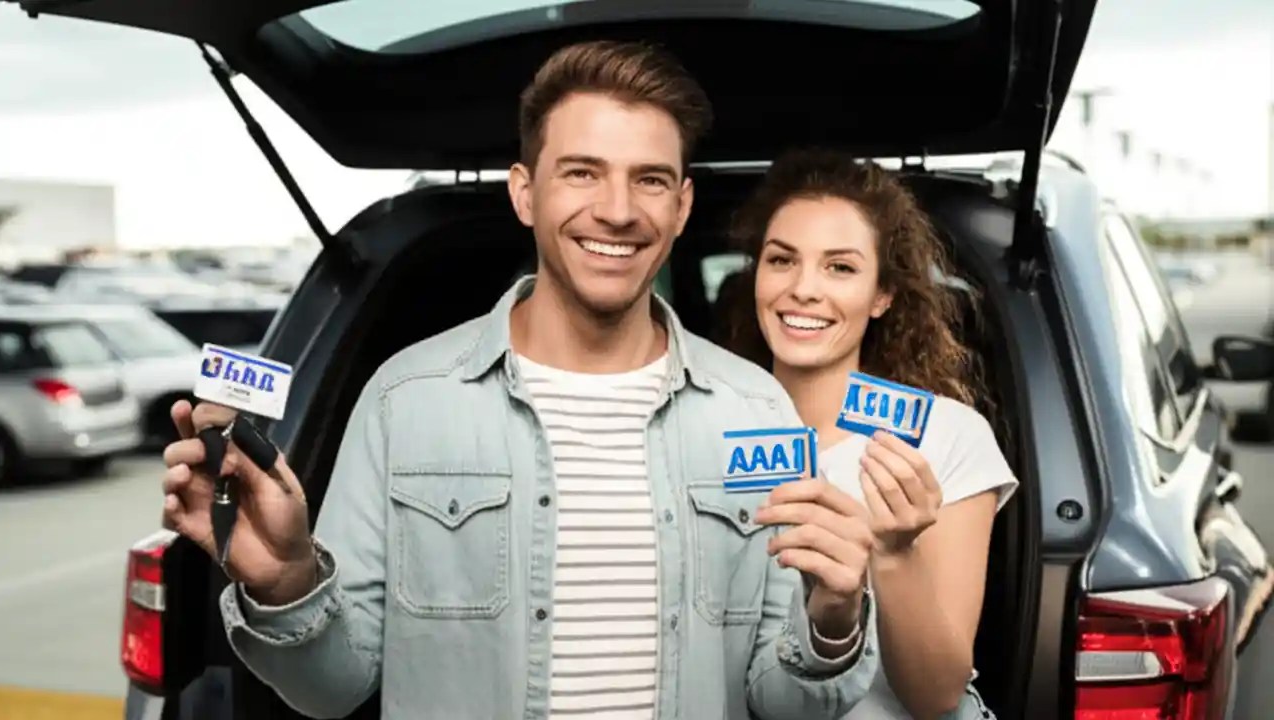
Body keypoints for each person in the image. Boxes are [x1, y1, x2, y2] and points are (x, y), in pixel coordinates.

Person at [160, 41, 882, 719]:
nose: (619, 210)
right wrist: (285, 579)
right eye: (582, 172)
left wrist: (834, 620)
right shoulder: (403, 400)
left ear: (682, 206)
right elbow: (333, 691)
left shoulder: (756, 409)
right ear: (525, 192)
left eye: (650, 180)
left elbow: (782, 703)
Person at [720, 148, 1019, 720]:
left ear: (883, 295)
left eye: (840, 267)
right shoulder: (703, 425)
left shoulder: (947, 436)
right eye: (782, 260)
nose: (804, 289)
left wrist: (894, 554)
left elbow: (937, 696)